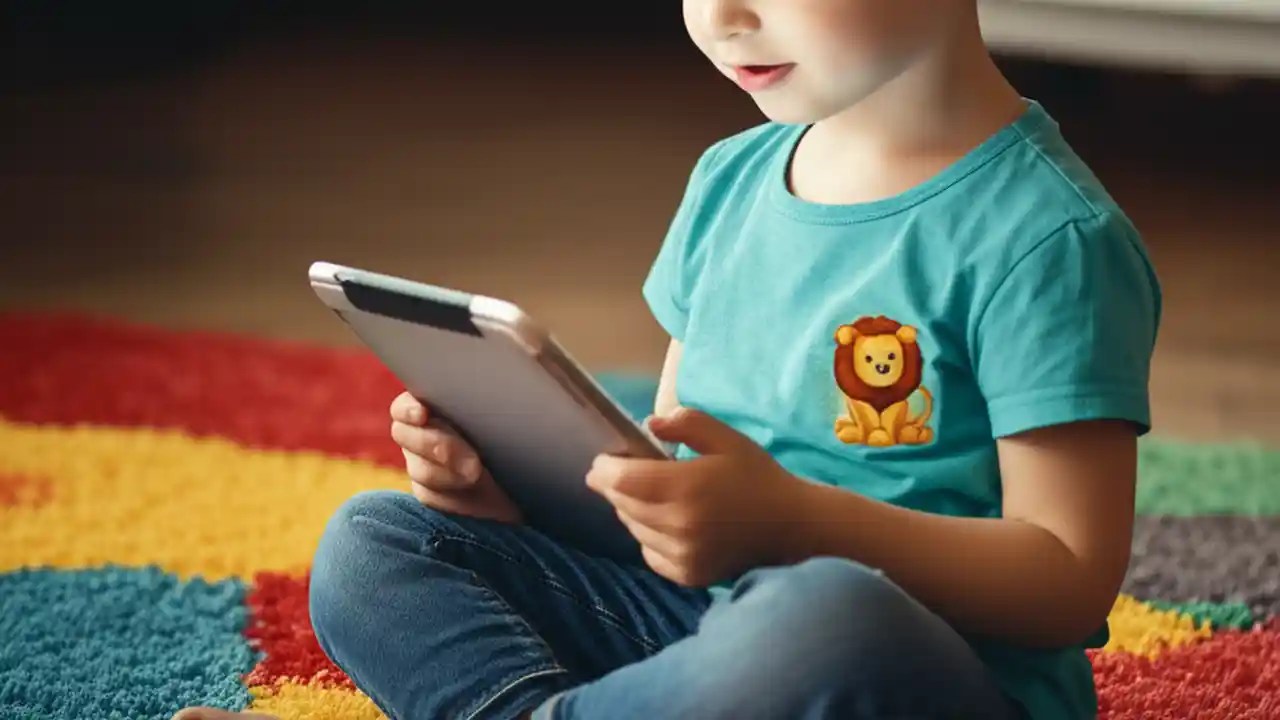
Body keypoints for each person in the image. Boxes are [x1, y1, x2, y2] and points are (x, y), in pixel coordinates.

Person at [175, 0, 1160, 718]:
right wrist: (514, 497)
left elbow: (1067, 577)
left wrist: (795, 525)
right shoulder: (728, 182)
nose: (724, 17)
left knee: (829, 612)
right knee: (379, 544)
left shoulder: (1044, 240)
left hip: (910, 673)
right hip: (709, 636)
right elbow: (669, 487)